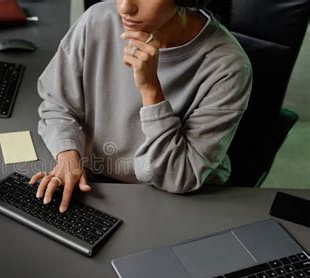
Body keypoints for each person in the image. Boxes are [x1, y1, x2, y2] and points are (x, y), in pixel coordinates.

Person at [29, 0, 252, 213]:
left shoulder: (228, 66)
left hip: (178, 199)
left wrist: (151, 89)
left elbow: (179, 175)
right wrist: (68, 154)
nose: (125, 7)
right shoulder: (97, 20)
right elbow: (56, 102)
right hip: (94, 183)